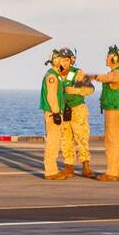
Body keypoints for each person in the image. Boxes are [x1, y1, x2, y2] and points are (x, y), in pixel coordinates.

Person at [87, 45, 119, 181]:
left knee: (111, 141)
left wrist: (93, 77)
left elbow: (110, 78)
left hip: (114, 110)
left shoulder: (117, 73)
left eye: (108, 56)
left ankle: (112, 173)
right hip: (118, 109)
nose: (106, 58)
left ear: (115, 58)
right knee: (118, 141)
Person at [59, 51, 97, 179]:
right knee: (65, 139)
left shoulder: (78, 73)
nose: (64, 63)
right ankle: (68, 166)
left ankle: (85, 166)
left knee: (82, 138)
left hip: (77, 110)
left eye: (66, 60)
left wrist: (75, 90)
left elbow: (90, 89)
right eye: (62, 60)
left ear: (71, 61)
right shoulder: (56, 74)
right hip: (63, 110)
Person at [39, 48, 73, 180]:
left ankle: (52, 169)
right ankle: (51, 171)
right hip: (53, 113)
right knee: (52, 142)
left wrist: (65, 107)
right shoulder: (52, 76)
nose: (64, 61)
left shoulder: (56, 74)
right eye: (62, 59)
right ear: (56, 60)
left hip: (57, 112)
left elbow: (59, 94)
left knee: (55, 142)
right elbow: (51, 96)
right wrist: (56, 112)